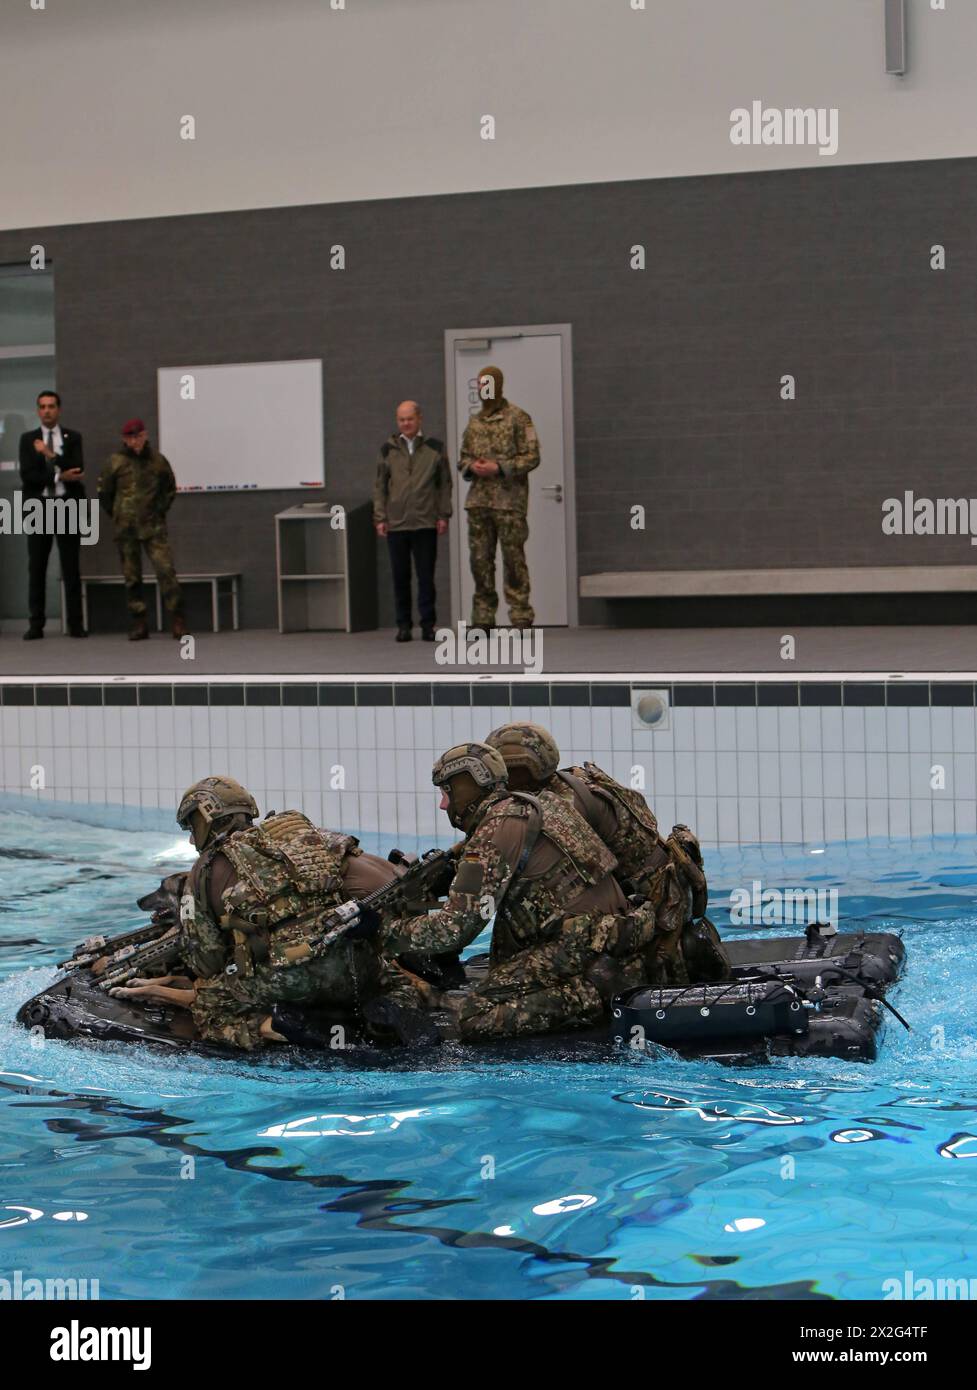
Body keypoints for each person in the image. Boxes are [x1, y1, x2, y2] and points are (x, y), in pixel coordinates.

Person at [110, 776, 431, 1049]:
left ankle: (278, 1028)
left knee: (210, 1006)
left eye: (192, 827)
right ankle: (390, 1012)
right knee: (394, 980)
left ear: (206, 818)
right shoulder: (311, 840)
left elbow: (206, 964)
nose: (193, 839)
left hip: (287, 982)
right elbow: (389, 883)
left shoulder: (205, 870)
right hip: (354, 975)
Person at [380, 743, 666, 1041]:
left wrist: (386, 931)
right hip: (612, 936)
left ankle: (595, 992)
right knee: (499, 964)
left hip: (586, 948)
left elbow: (455, 930)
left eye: (446, 793)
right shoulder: (538, 805)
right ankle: (604, 976)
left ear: (467, 786)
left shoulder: (494, 832)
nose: (443, 805)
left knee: (476, 1016)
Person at [483, 722, 730, 984]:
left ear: (521, 771)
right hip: (657, 904)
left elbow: (513, 858)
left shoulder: (562, 807)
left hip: (654, 918)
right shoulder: (570, 782)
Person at [458, 365, 540, 632]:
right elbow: (463, 457)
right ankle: (483, 618)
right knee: (480, 561)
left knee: (513, 559)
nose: (485, 390)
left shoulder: (519, 418)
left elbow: (532, 457)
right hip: (479, 503)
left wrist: (500, 467)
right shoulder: (474, 422)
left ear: (499, 386)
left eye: (489, 385)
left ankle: (520, 616)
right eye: (481, 385)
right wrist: (471, 467)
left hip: (508, 503)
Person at [96, 419, 185, 640]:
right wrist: (118, 514)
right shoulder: (115, 462)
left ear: (145, 435)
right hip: (125, 529)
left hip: (153, 526)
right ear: (124, 439)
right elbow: (104, 493)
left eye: (138, 436)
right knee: (132, 577)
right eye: (130, 437)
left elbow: (170, 488)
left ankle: (177, 619)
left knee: (166, 571)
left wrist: (159, 510)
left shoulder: (158, 461)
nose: (135, 441)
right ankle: (139, 622)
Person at [373, 400, 452, 642]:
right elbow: (379, 487)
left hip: (425, 521)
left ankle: (428, 625)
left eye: (409, 419)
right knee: (400, 577)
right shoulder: (387, 449)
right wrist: (380, 517)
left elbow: (444, 484)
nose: (405, 423)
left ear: (419, 419)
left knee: (426, 577)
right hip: (396, 523)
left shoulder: (435, 448)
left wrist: (442, 514)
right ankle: (404, 625)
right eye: (401, 419)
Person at [18, 390, 86, 640]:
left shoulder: (73, 437)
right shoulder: (28, 439)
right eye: (42, 407)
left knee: (71, 566)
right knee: (37, 566)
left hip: (66, 505)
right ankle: (36, 624)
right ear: (38, 411)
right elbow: (28, 476)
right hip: (39, 507)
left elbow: (78, 467)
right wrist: (59, 475)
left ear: (59, 410)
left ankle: (76, 624)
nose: (47, 411)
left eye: (51, 406)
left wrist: (50, 455)